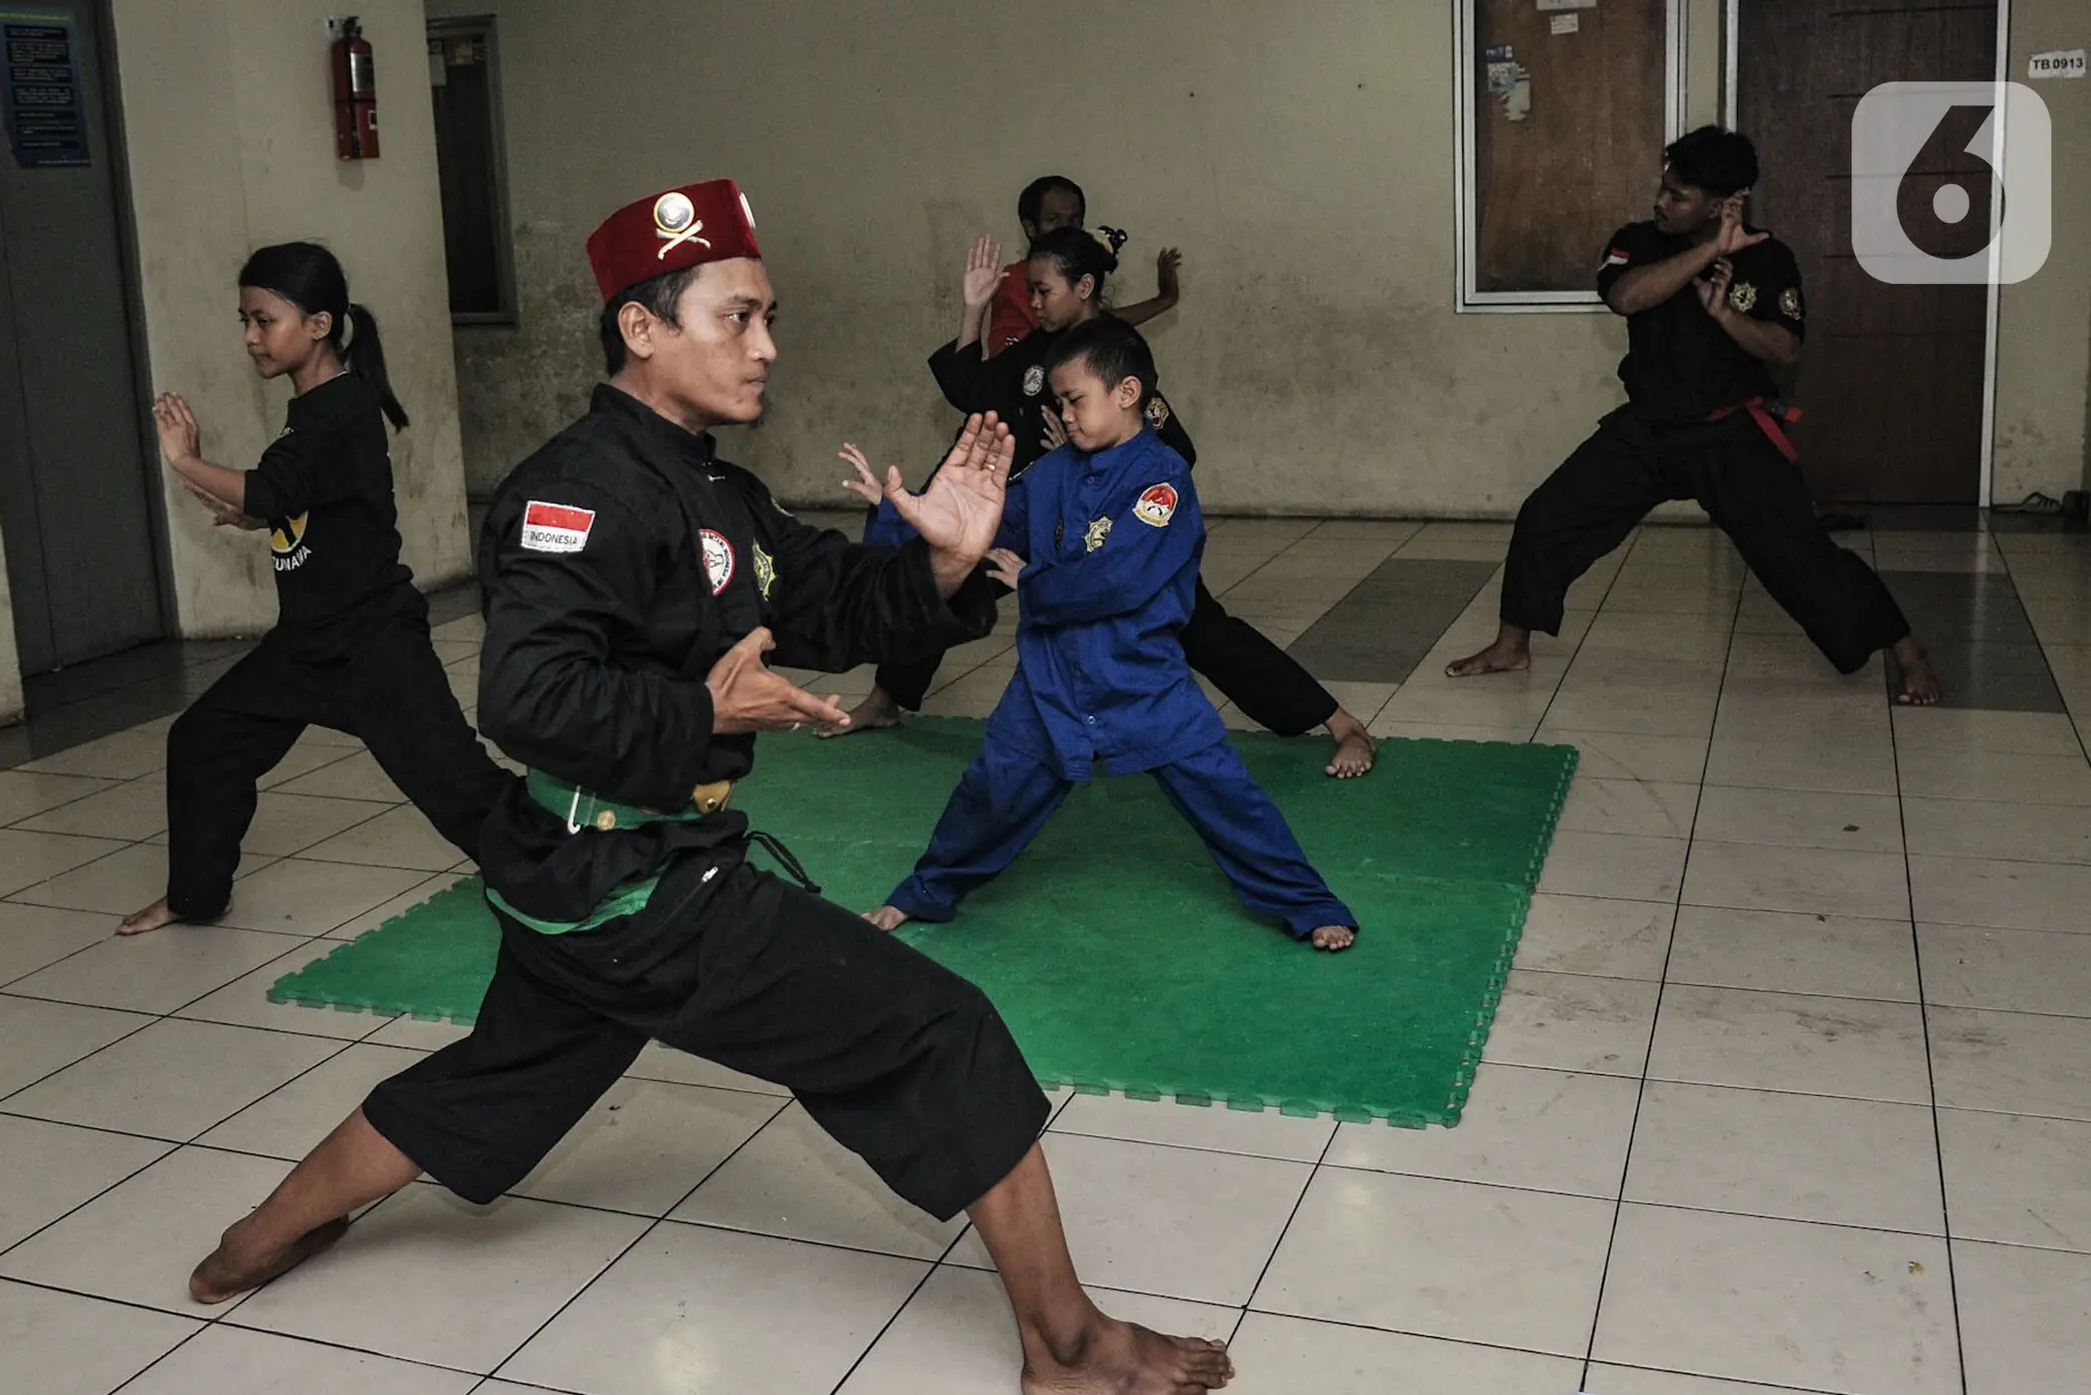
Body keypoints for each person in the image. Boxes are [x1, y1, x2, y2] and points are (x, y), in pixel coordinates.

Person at [184, 180, 1237, 1395]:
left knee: (499, 1079)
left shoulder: (712, 491)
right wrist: (705, 713)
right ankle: (1064, 1349)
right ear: (643, 330)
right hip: (635, 887)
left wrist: (946, 559)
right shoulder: (572, 492)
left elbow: (836, 602)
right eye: (736, 317)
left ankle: (253, 1239)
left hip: (568, 884)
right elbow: (523, 697)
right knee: (939, 1032)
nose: (768, 345)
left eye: (768, 315)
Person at [863, 318, 1357, 950]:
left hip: (1142, 678)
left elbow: (1120, 579)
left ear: (1126, 393)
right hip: (1050, 679)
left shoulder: (1163, 478)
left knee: (1227, 799)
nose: (1064, 415)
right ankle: (925, 893)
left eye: (1075, 401)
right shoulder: (1049, 475)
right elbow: (982, 531)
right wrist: (906, 516)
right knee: (989, 792)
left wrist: (1034, 584)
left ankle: (1308, 904)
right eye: (1058, 403)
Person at [830, 228, 1380, 778]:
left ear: (1085, 287)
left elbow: (1173, 449)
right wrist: (973, 310)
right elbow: (973, 392)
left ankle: (1340, 721)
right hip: (1036, 516)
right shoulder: (1039, 352)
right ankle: (888, 697)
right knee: (949, 581)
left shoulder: (1115, 357)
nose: (1035, 303)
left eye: (1044, 291)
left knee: (1202, 628)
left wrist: (1088, 456)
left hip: (1121, 531)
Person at [1446, 126, 1940, 704]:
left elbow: (1785, 350)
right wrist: (1708, 250)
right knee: (1547, 516)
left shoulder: (1769, 258)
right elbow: (1627, 297)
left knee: (1800, 557)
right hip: (1649, 429)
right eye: (1664, 187)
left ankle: (1909, 653)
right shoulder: (1638, 241)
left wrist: (1726, 315)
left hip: (1731, 433)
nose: (1662, 201)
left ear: (1726, 202)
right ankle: (1512, 645)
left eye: (1679, 195)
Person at [117, 243, 514, 935]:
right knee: (203, 743)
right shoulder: (314, 409)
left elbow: (277, 484)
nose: (250, 336)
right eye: (245, 319)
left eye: (264, 321)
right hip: (305, 646)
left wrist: (186, 459)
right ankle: (196, 896)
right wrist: (254, 515)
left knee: (459, 789)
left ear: (320, 325)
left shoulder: (342, 409)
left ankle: (577, 865)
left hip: (372, 644)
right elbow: (298, 497)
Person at [985, 175, 1181, 355]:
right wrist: (1161, 302)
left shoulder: (1081, 271)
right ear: (1030, 228)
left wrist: (1162, 301)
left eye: (1075, 220)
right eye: (1053, 219)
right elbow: (1082, 326)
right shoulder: (1014, 280)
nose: (1066, 228)